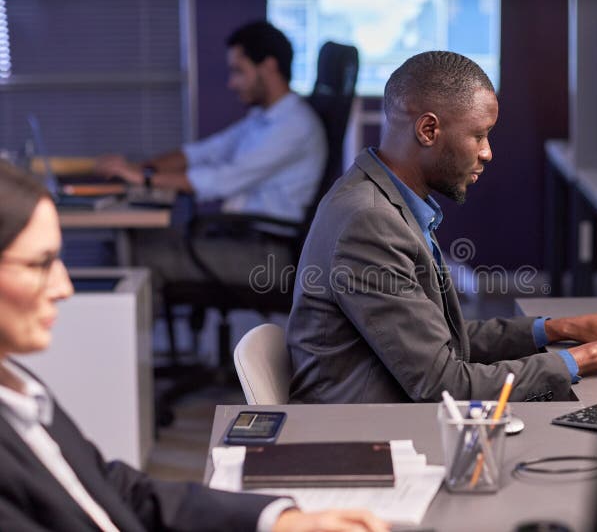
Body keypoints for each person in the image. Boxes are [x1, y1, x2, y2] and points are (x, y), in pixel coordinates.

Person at [0, 166, 387, 532]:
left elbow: (112, 488)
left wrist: (277, 520)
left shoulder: (19, 387)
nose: (64, 287)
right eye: (40, 264)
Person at [287, 51, 597, 404]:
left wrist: (558, 329)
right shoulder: (370, 223)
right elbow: (445, 384)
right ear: (428, 130)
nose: (487, 152)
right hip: (364, 432)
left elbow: (440, 337)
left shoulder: (383, 197)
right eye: (479, 135)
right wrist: (586, 358)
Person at [94, 20, 327, 291]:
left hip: (266, 256)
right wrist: (140, 167)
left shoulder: (294, 125)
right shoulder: (263, 117)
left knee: (134, 259)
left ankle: (134, 335)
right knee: (128, 246)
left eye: (238, 71)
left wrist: (144, 178)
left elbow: (223, 180)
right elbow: (204, 152)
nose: (231, 83)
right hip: (240, 238)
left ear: (269, 67)